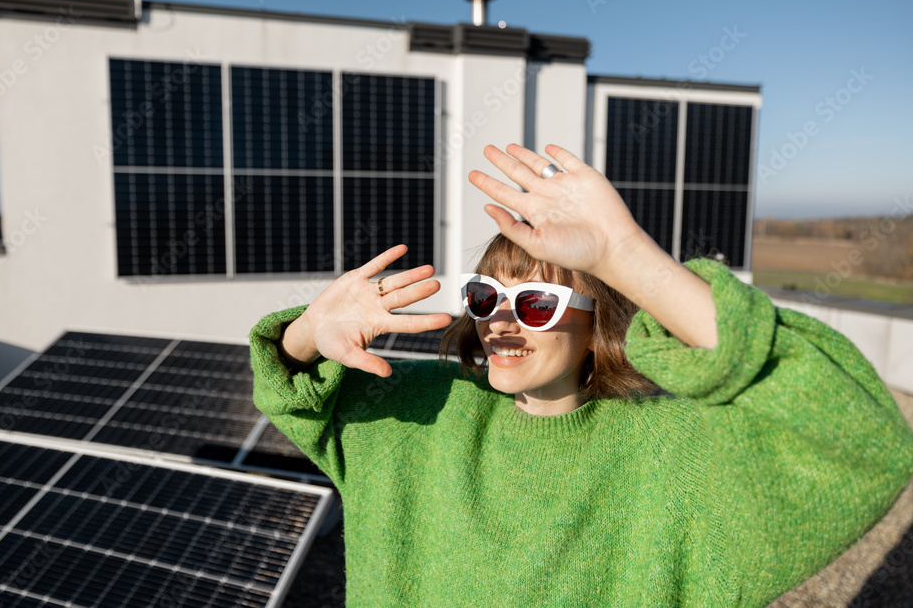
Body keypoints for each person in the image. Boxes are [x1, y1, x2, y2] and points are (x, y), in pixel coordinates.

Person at [250, 143, 913, 606]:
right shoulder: (420, 416)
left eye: (538, 303)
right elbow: (294, 391)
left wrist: (628, 255)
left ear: (601, 322)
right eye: (486, 297)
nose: (501, 323)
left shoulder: (674, 459)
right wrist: (309, 331)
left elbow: (861, 441)